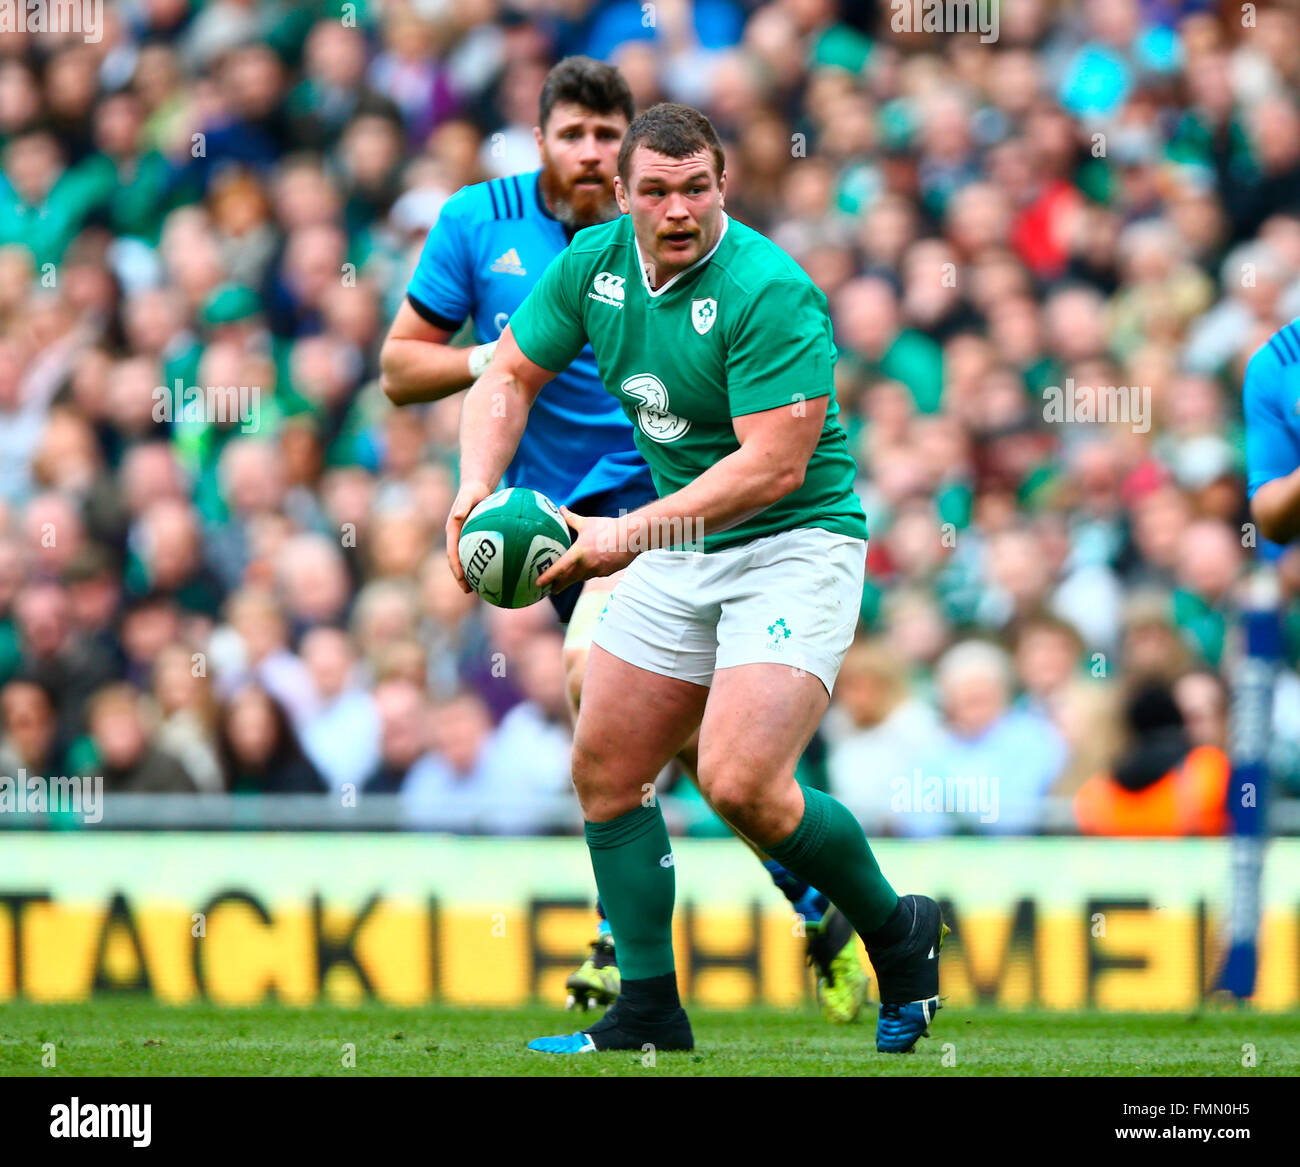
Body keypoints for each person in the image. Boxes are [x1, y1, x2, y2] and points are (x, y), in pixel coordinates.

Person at [447, 103, 943, 1055]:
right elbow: (506, 376)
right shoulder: (591, 268)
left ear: (724, 185)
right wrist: (474, 486)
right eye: (658, 191)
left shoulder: (771, 289)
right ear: (624, 196)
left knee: (741, 781)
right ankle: (647, 1010)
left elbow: (772, 469)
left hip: (795, 543)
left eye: (697, 189)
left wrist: (621, 536)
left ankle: (894, 927)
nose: (679, 210)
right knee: (606, 770)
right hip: (683, 545)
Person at [383, 58, 864, 1019]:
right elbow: (400, 370)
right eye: (576, 134)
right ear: (543, 140)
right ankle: (810, 890)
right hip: (551, 517)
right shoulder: (482, 225)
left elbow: (774, 456)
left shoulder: (698, 253)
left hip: (660, 504)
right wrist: (497, 370)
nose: (594, 153)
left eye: (611, 137)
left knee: (588, 681)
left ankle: (621, 940)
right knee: (689, 746)